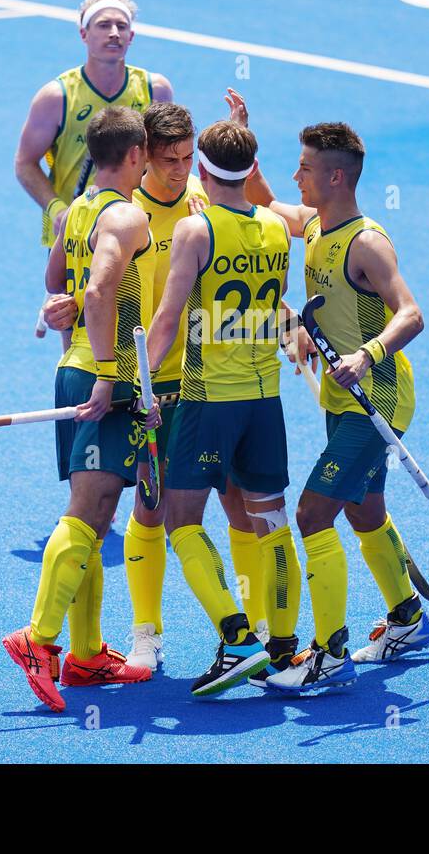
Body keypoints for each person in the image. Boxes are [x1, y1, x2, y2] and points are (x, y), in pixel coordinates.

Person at [245, 122, 429, 692]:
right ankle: (407, 617)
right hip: (341, 399)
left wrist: (366, 352)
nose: (295, 176)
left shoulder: (366, 242)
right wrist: (242, 141)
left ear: (334, 176)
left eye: (303, 167)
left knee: (311, 516)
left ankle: (331, 654)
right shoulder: (317, 225)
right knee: (363, 509)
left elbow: (411, 314)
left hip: (374, 399)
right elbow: (262, 199)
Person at [2, 106, 160, 712]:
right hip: (104, 378)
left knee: (96, 515)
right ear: (138, 152)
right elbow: (95, 290)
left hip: (76, 371)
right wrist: (107, 373)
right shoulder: (125, 213)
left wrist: (61, 311)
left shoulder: (73, 210)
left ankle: (87, 653)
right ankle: (38, 639)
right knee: (88, 508)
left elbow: (56, 284)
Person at [118, 100, 275, 672]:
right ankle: (146, 635)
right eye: (168, 160)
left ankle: (257, 629)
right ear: (141, 159)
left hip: (217, 383)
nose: (180, 170)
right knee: (152, 505)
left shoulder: (205, 206)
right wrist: (61, 306)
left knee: (240, 506)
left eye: (189, 158)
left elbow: (249, 252)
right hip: (155, 385)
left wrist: (277, 316)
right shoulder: (128, 215)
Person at [144, 119, 296, 696]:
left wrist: (141, 384)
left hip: (209, 398)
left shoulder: (194, 230)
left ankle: (236, 639)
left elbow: (167, 317)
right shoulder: (278, 229)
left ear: (202, 172)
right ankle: (282, 647)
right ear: (251, 169)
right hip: (266, 399)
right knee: (271, 523)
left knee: (182, 522)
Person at [14, 0, 173, 251]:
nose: (114, 32)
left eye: (121, 26)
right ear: (84, 34)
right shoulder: (56, 97)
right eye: (103, 25)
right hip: (76, 231)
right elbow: (24, 163)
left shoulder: (155, 90)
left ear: (130, 36)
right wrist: (57, 211)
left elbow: (167, 155)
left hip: (138, 227)